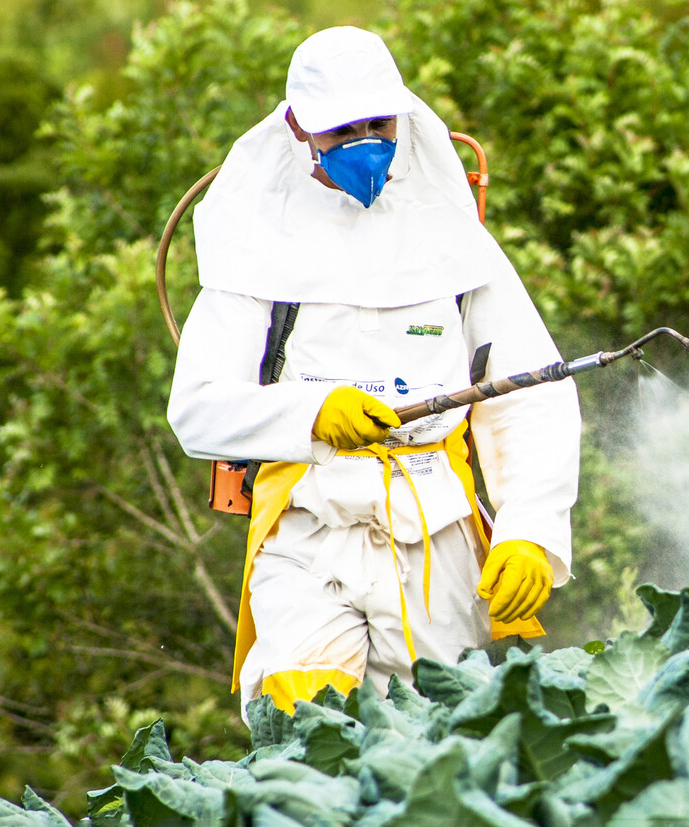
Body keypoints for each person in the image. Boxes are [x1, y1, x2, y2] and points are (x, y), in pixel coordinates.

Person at [166, 26, 581, 719]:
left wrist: (531, 530)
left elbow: (530, 391)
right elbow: (197, 408)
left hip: (438, 531)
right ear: (299, 125)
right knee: (305, 727)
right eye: (342, 127)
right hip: (309, 525)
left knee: (440, 742)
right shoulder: (257, 237)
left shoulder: (449, 231)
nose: (365, 139)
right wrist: (310, 414)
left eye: (378, 122)